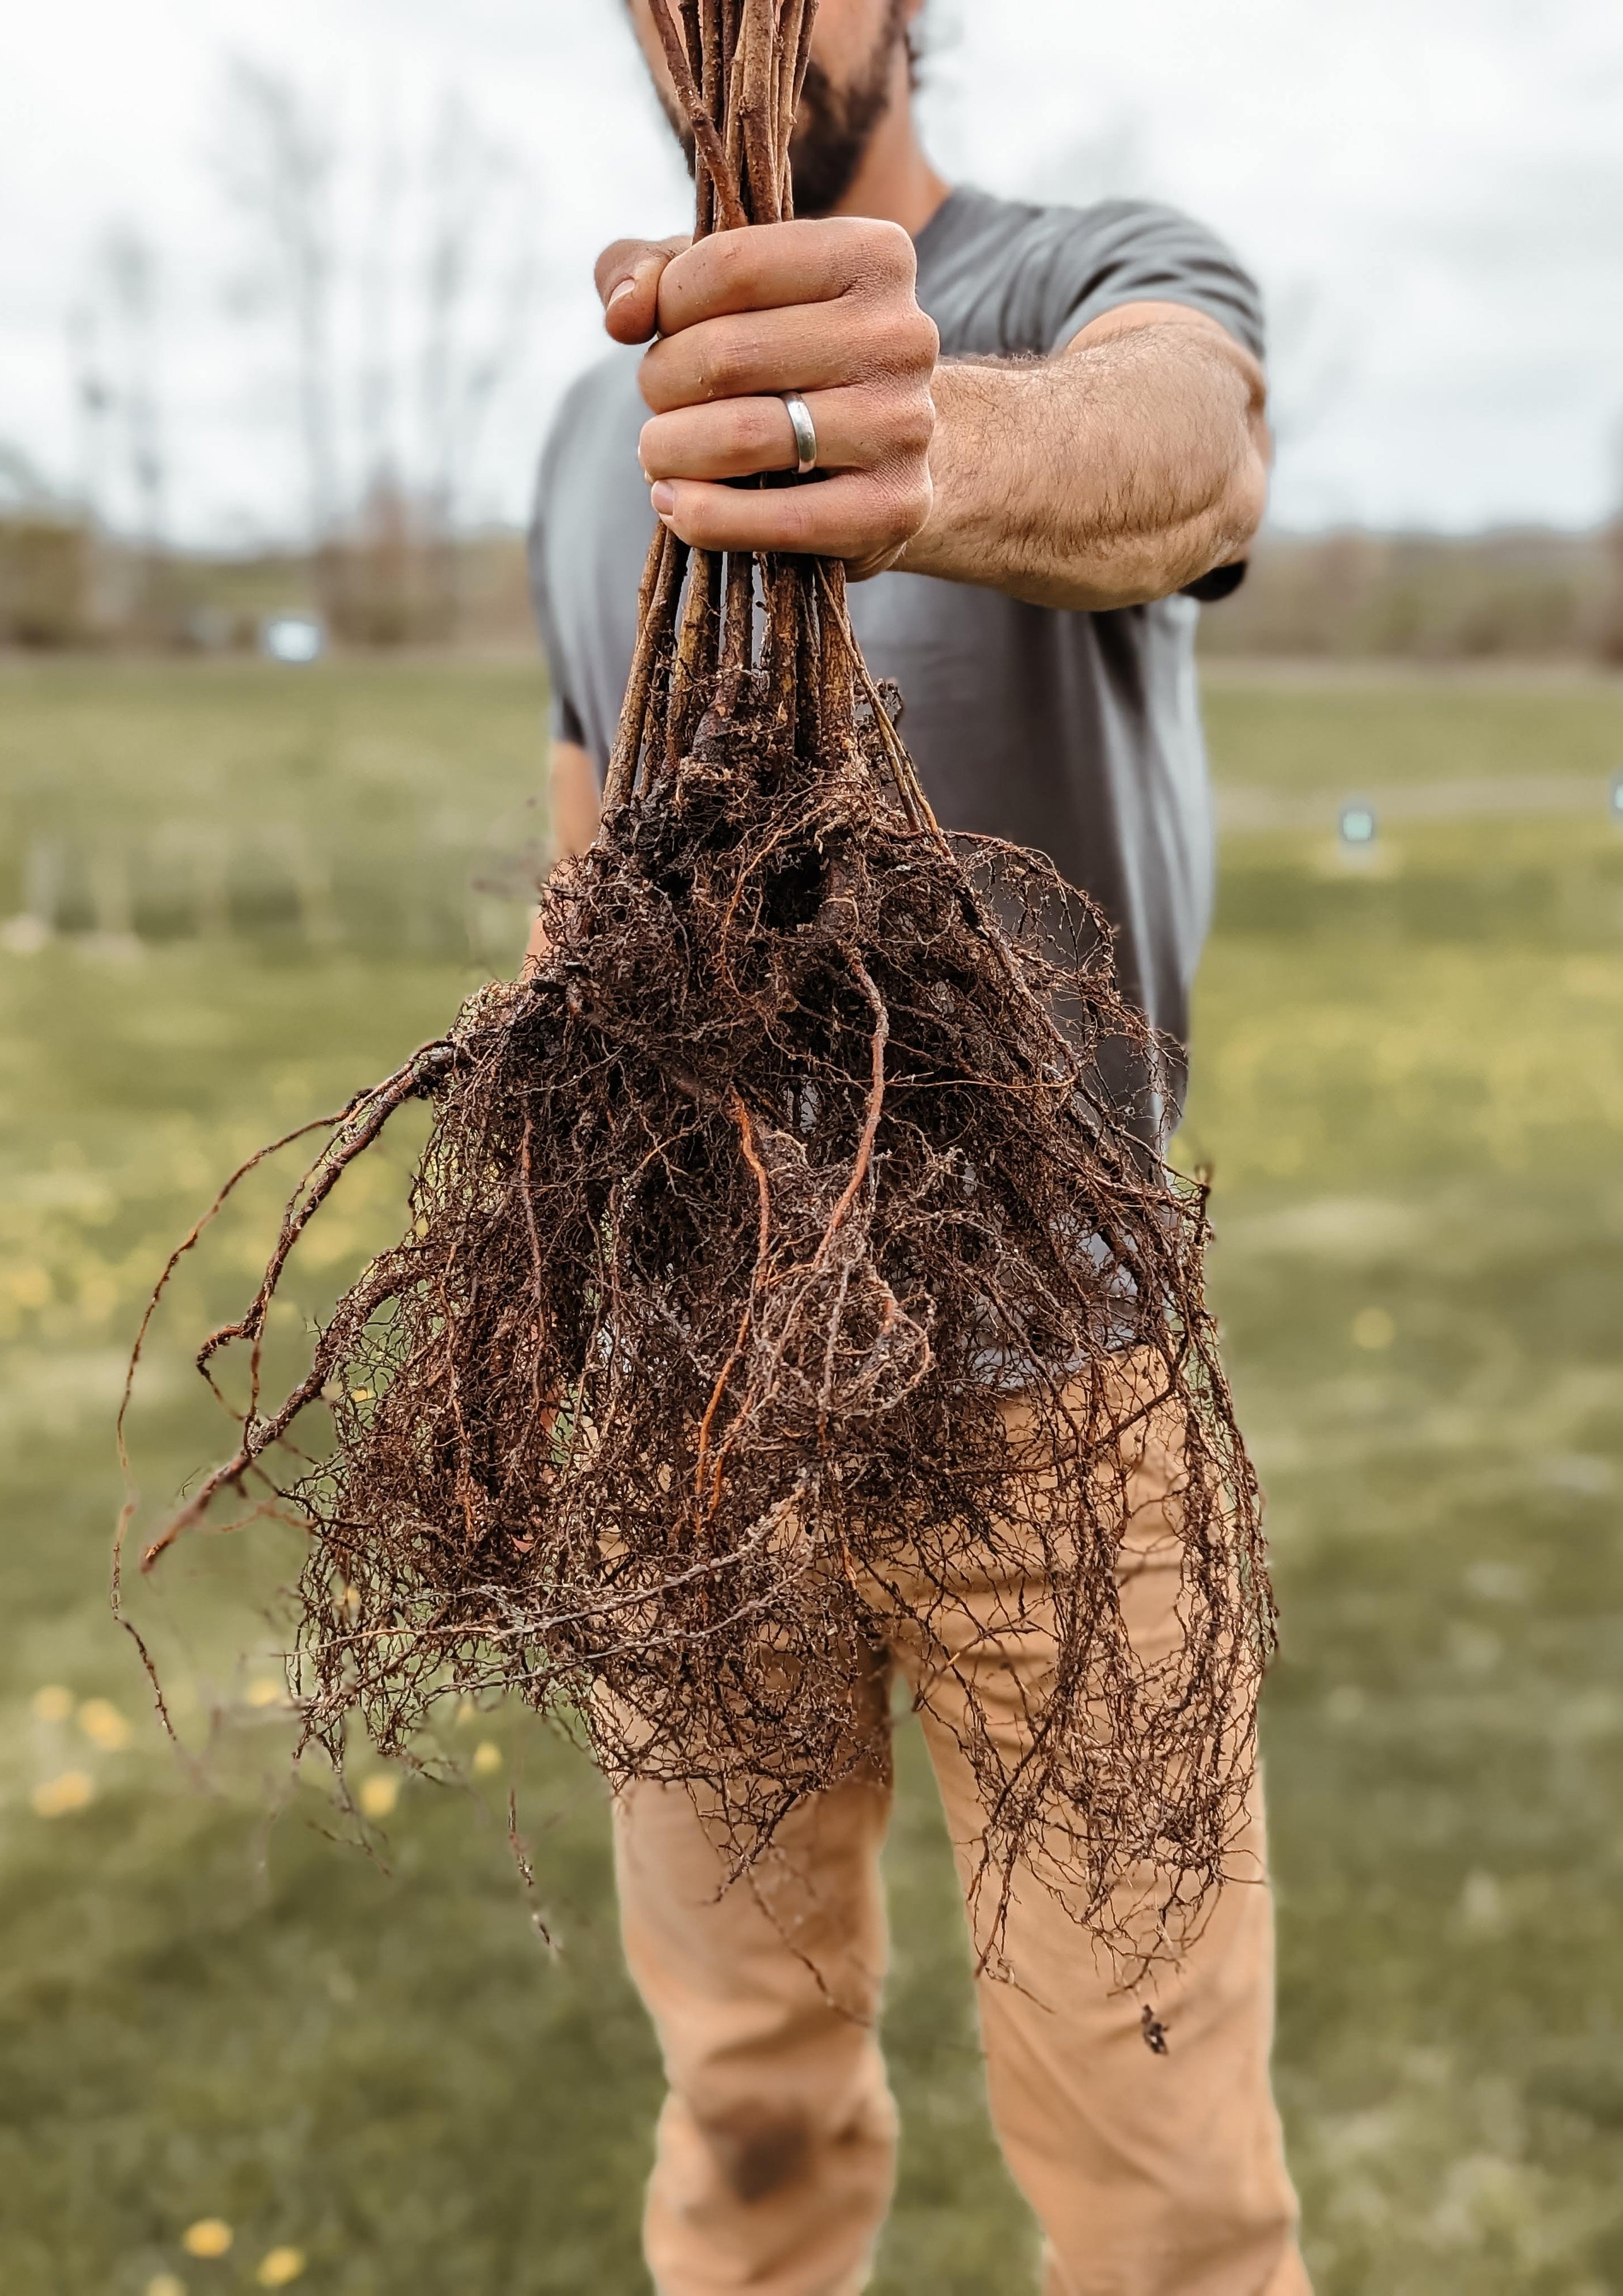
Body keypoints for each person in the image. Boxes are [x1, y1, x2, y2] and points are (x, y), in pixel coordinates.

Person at [527, 5, 1309, 2291]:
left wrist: (917, 439)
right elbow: (584, 854)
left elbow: (1190, 455)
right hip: (692, 1411)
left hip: (1054, 1395)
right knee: (746, 2112)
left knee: (1163, 2181)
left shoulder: (1092, 277)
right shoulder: (603, 417)